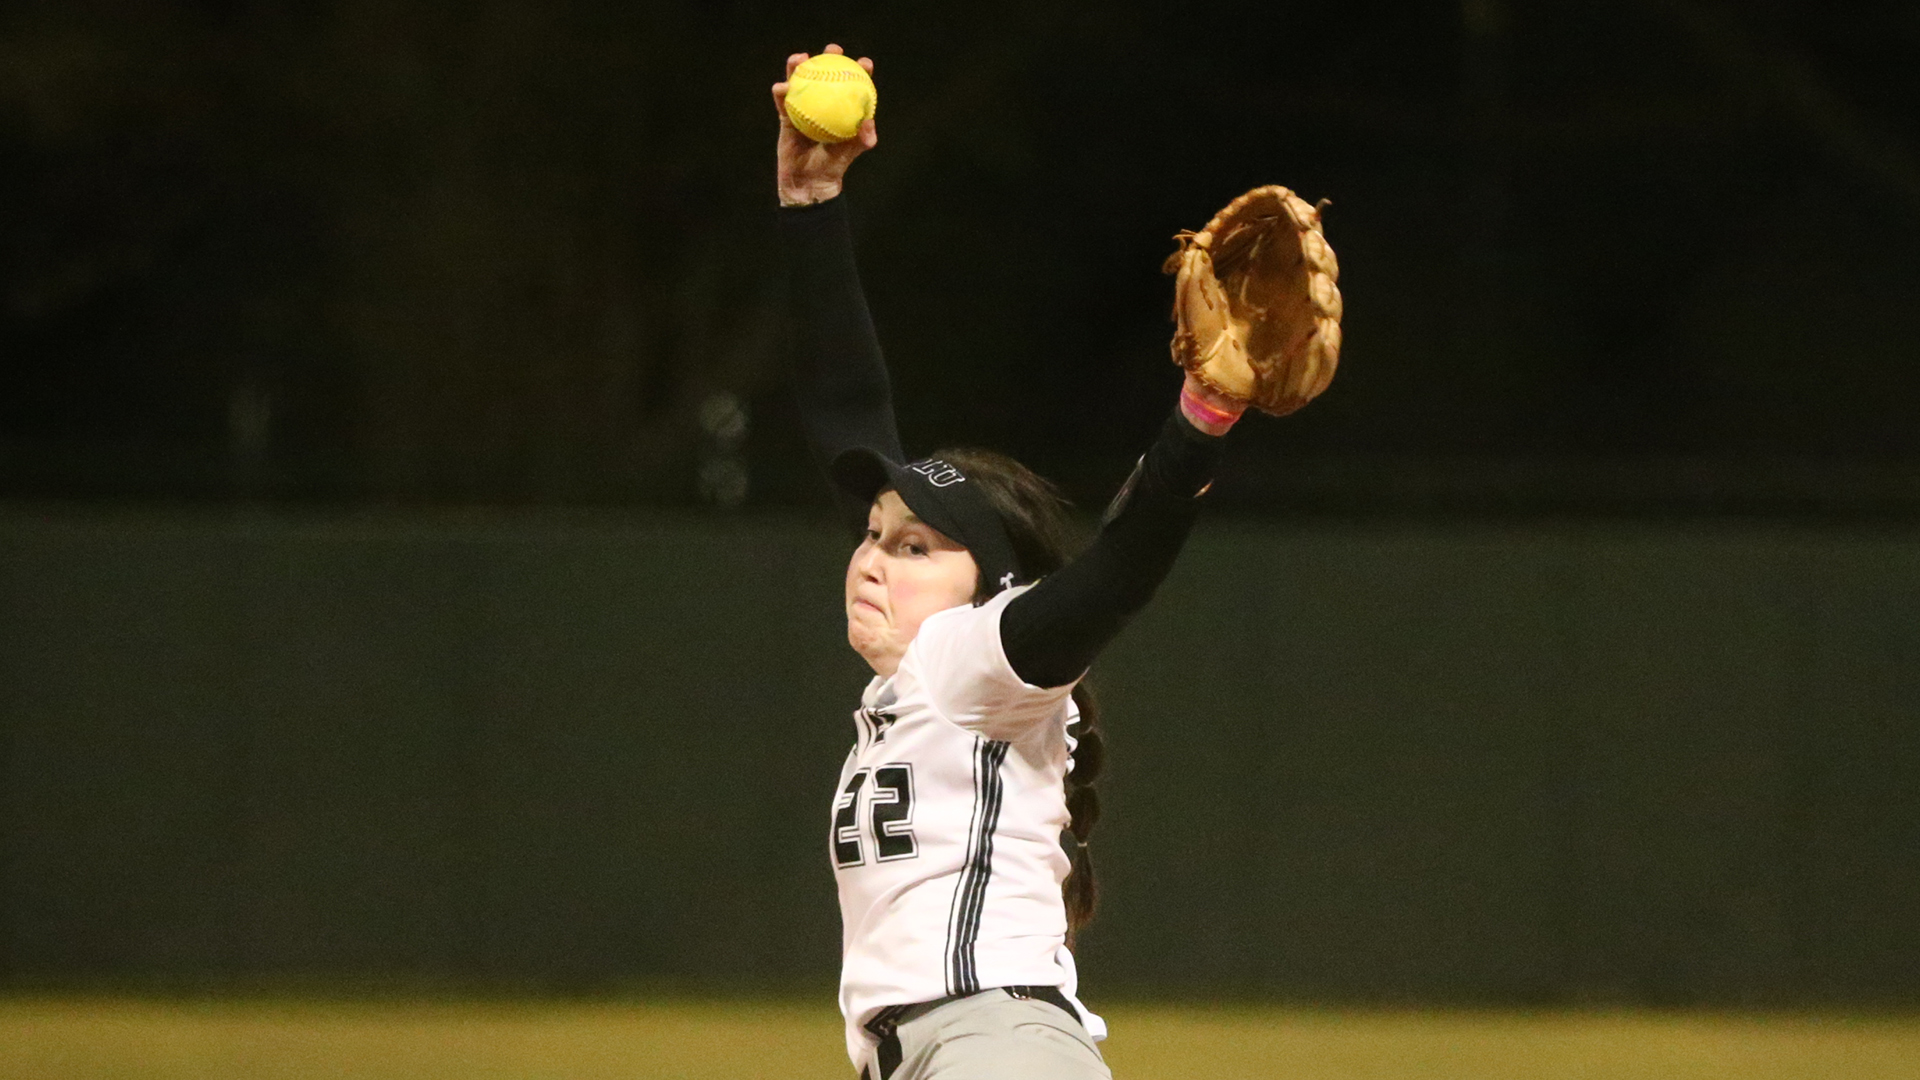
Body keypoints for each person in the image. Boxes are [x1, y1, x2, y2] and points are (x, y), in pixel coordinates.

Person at [774, 44, 1251, 1080]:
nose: (871, 557)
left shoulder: (967, 659)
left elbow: (1116, 571)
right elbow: (846, 412)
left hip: (995, 1050)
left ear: (993, 592)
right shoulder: (916, 696)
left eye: (912, 546)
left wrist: (1200, 421)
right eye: (871, 535)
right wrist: (813, 207)